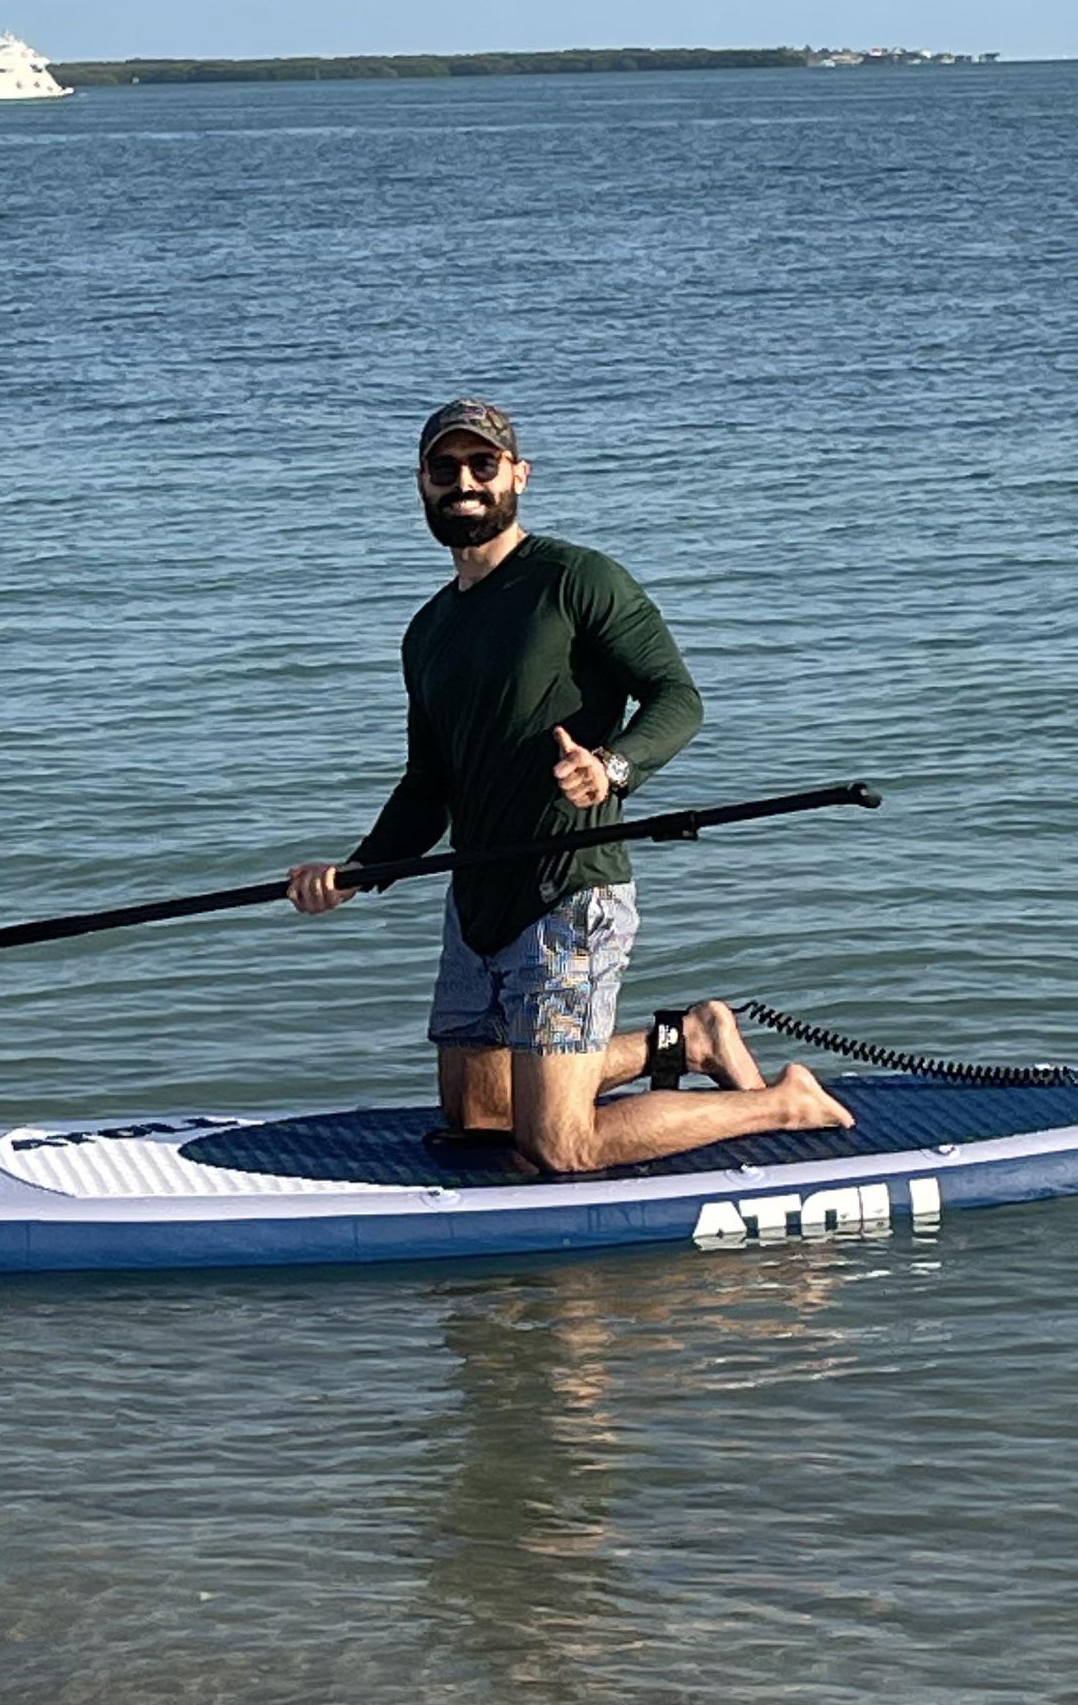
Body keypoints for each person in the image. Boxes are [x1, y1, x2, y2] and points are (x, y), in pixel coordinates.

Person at [288, 402, 853, 1177]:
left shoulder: (575, 580)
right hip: (477, 902)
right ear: (421, 483)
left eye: (484, 465)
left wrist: (612, 766)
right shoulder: (427, 632)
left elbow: (677, 698)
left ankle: (785, 1101)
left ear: (518, 476)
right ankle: (689, 1040)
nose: (465, 482)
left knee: (559, 1146)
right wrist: (354, 871)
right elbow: (427, 785)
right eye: (445, 468)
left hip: (569, 894)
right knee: (479, 1115)